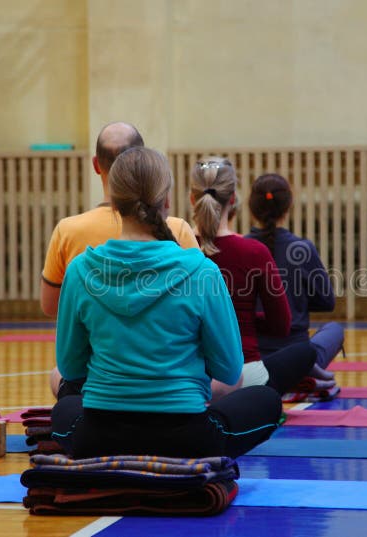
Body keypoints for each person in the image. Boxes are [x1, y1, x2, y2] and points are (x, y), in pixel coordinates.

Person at [50, 147, 282, 459]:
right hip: (184, 438)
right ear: (168, 201)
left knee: (65, 407)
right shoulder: (201, 271)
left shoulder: (80, 270)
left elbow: (70, 368)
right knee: (267, 400)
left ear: (113, 203)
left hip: (100, 436)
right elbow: (229, 372)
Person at [40, 121, 198, 397]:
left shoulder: (68, 231)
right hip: (168, 379)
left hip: (99, 379)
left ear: (96, 164)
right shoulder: (179, 229)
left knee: (59, 375)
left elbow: (52, 307)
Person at [189, 157, 316, 395]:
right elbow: (281, 326)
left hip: (187, 377)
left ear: (192, 199)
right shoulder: (254, 252)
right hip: (245, 374)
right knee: (306, 351)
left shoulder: (174, 249)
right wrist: (244, 318)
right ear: (233, 199)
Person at [246, 173, 344, 380]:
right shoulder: (302, 249)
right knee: (334, 330)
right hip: (297, 356)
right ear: (288, 205)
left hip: (251, 357)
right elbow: (327, 302)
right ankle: (302, 374)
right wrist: (297, 300)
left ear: (251, 206)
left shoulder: (240, 247)